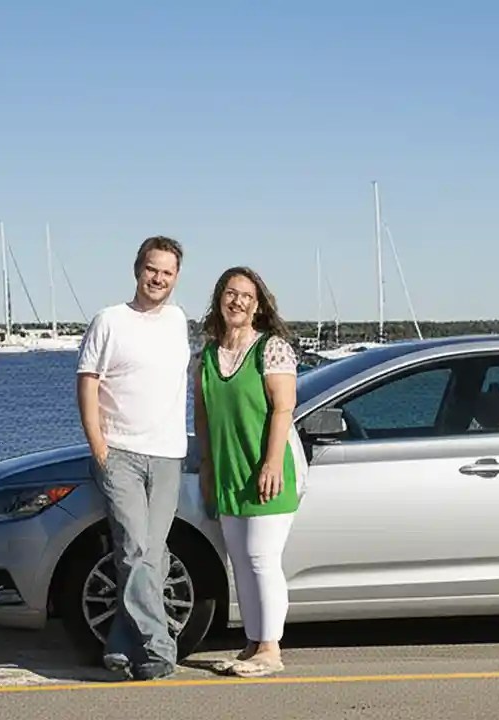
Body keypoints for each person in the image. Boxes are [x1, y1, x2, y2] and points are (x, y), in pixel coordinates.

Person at [76, 235, 190, 681]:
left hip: (166, 455)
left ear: (176, 277)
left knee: (151, 556)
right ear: (137, 269)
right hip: (120, 453)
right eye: (151, 269)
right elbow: (87, 381)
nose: (158, 278)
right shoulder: (110, 320)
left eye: (167, 272)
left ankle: (122, 648)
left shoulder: (178, 321)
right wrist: (98, 446)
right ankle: (160, 648)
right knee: (134, 547)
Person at [194, 266, 304, 678]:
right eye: (229, 293)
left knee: (262, 559)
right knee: (240, 562)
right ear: (219, 299)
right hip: (227, 472)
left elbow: (283, 407)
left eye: (246, 295)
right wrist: (206, 465)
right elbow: (202, 416)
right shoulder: (206, 355)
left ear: (258, 305)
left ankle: (271, 649)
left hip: (264, 471)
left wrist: (272, 461)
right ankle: (253, 644)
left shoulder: (271, 349)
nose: (237, 300)